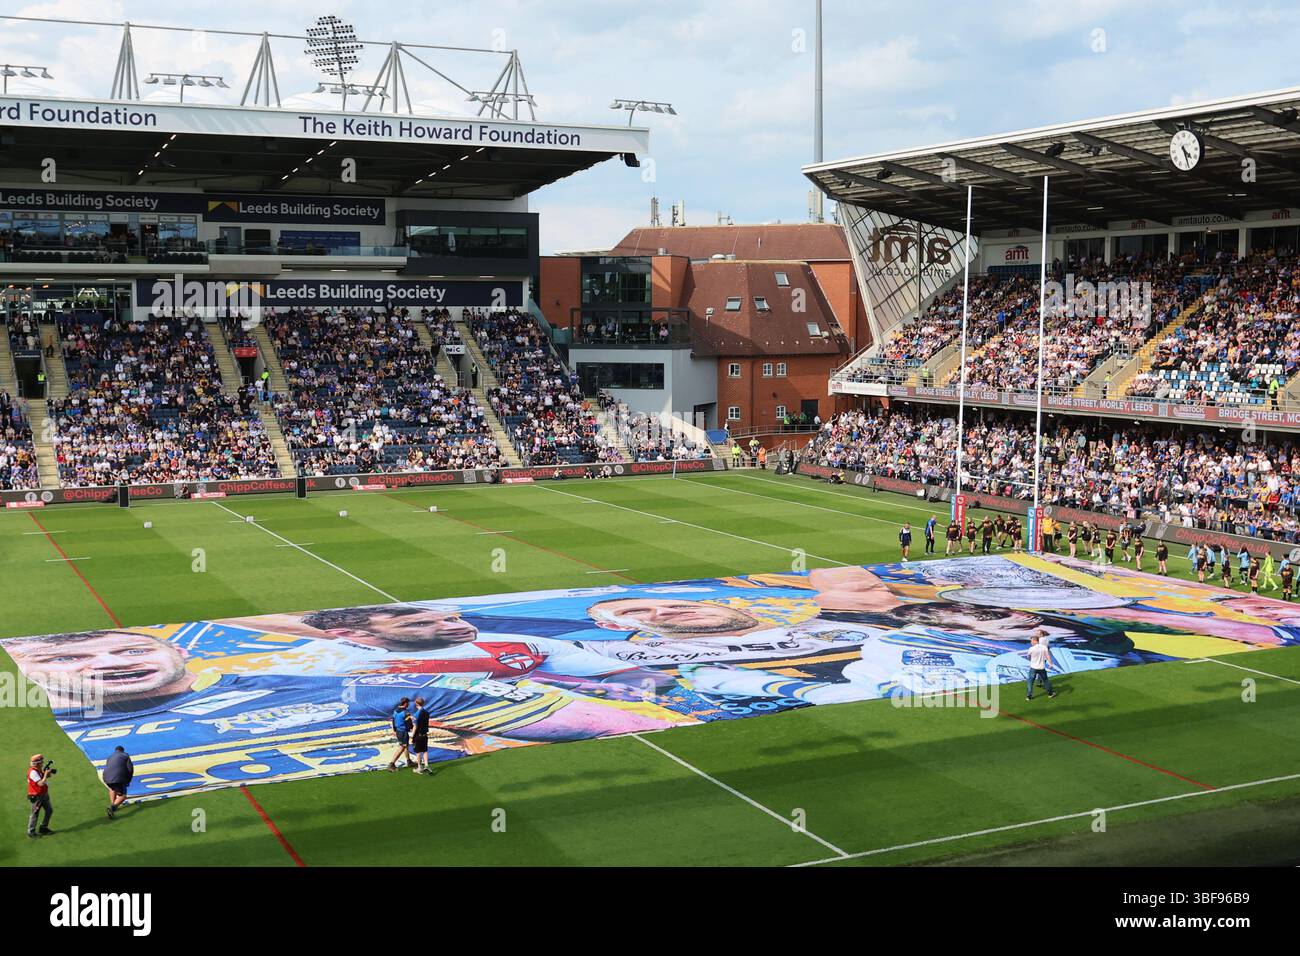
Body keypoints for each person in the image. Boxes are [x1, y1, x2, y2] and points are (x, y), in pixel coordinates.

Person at [26, 754, 54, 838]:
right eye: (41, 762)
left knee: (49, 810)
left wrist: (47, 774)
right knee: (35, 814)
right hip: (37, 796)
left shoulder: (38, 770)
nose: (42, 763)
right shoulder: (33, 772)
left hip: (44, 794)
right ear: (37, 763)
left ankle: (43, 828)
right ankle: (31, 831)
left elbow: (43, 778)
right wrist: (45, 774)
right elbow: (40, 783)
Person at [102, 745, 133, 819]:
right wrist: (128, 780)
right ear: (123, 750)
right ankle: (112, 807)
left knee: (112, 789)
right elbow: (130, 769)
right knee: (123, 795)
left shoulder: (110, 756)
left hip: (106, 777)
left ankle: (113, 803)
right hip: (118, 777)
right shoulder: (125, 755)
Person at [1025, 634, 1057, 701]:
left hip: (1033, 668)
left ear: (1035, 641)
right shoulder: (1044, 647)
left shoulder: (1031, 649)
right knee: (1045, 681)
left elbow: (1028, 657)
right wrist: (1050, 663)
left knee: (1030, 682)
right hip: (1041, 668)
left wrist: (1031, 658)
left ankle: (1029, 696)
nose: (1031, 642)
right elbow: (1047, 656)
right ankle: (1050, 694)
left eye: (1031, 641)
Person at [387, 696, 412, 772]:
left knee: (406, 746)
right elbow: (409, 724)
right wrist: (411, 728)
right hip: (403, 732)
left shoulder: (395, 711)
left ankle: (409, 761)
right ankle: (391, 764)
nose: (409, 705)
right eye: (408, 703)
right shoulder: (406, 712)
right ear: (405, 703)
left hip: (398, 731)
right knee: (402, 747)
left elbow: (393, 720)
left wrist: (395, 730)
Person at [410, 696, 431, 774]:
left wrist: (412, 736)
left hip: (418, 736)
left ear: (416, 703)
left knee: (418, 752)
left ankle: (419, 768)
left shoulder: (416, 715)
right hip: (425, 735)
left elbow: (415, 726)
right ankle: (426, 765)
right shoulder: (427, 713)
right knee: (425, 751)